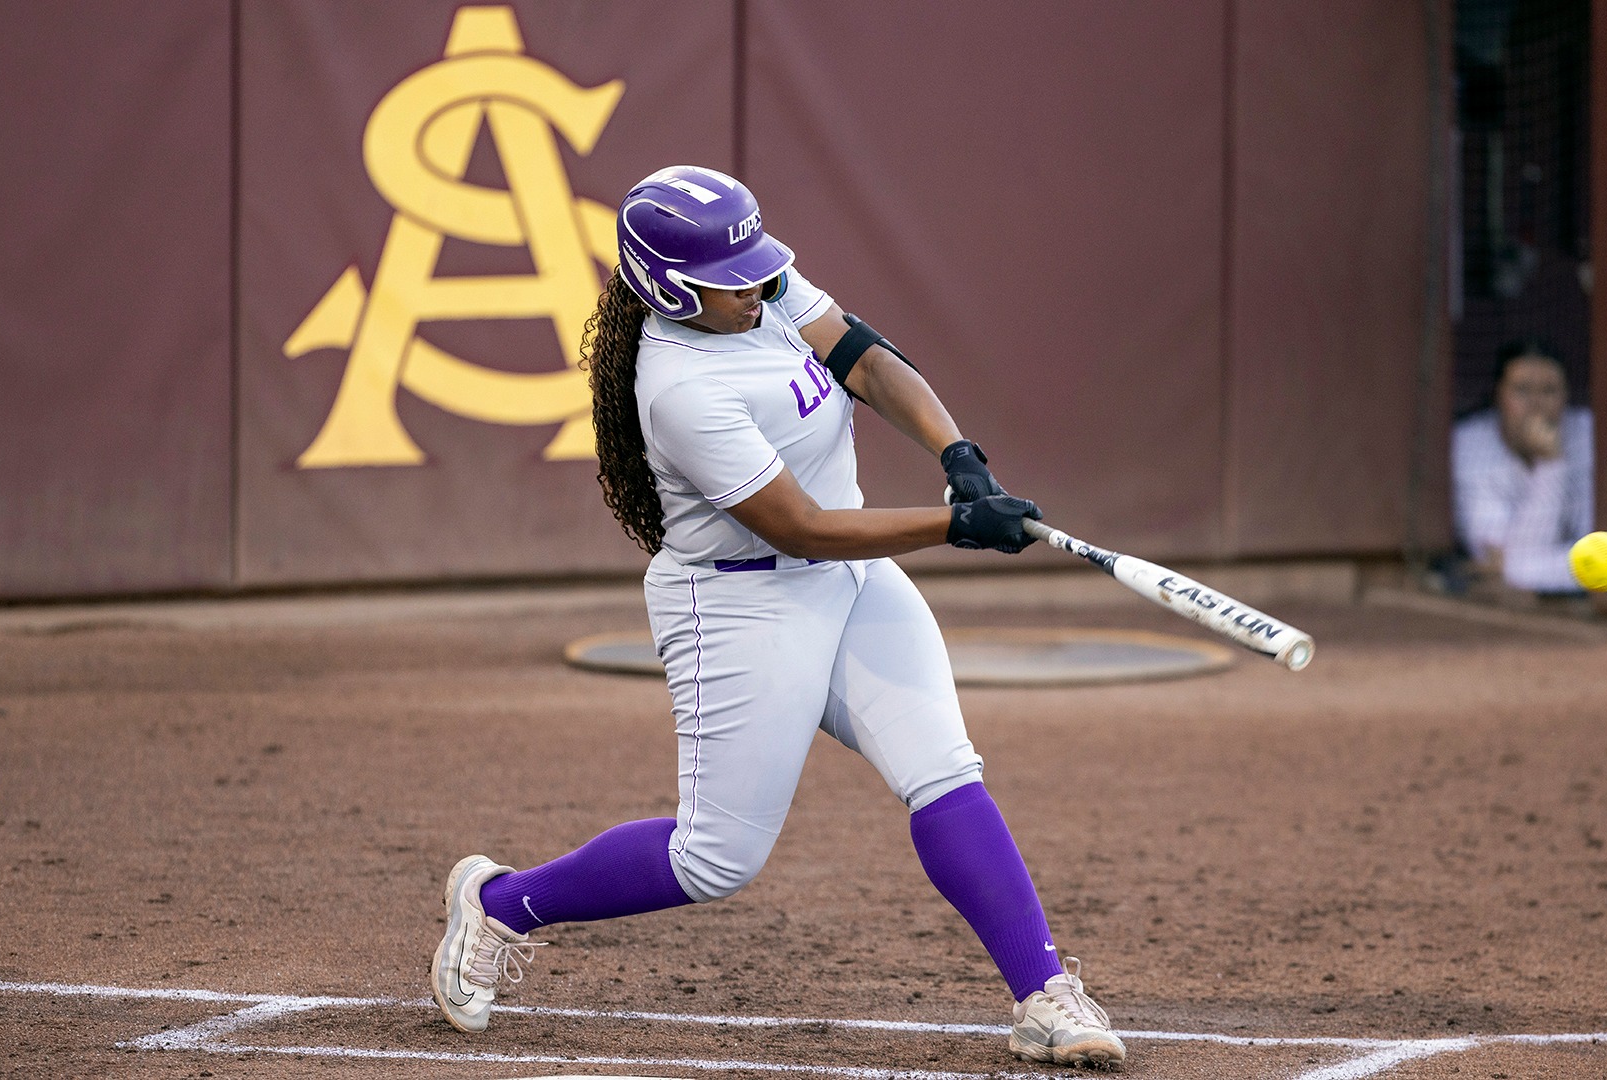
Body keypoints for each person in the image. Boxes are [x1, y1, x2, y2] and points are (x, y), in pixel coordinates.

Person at [430, 166, 1126, 1070]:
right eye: (734, 280)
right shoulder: (679, 390)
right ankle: (502, 904)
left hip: (851, 579)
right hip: (740, 605)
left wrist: (959, 456)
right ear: (672, 289)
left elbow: (868, 361)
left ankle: (1045, 998)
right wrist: (955, 526)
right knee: (715, 860)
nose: (758, 287)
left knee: (945, 773)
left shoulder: (757, 287)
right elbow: (798, 526)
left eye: (761, 267)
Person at [1451, 340, 1593, 594]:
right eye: (1522, 390)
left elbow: (1604, 551)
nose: (1536, 404)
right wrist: (1550, 465)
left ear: (1566, 397)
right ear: (1498, 396)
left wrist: (1515, 568)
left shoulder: (1586, 435)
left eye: (1549, 390)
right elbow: (1512, 563)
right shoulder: (1469, 448)